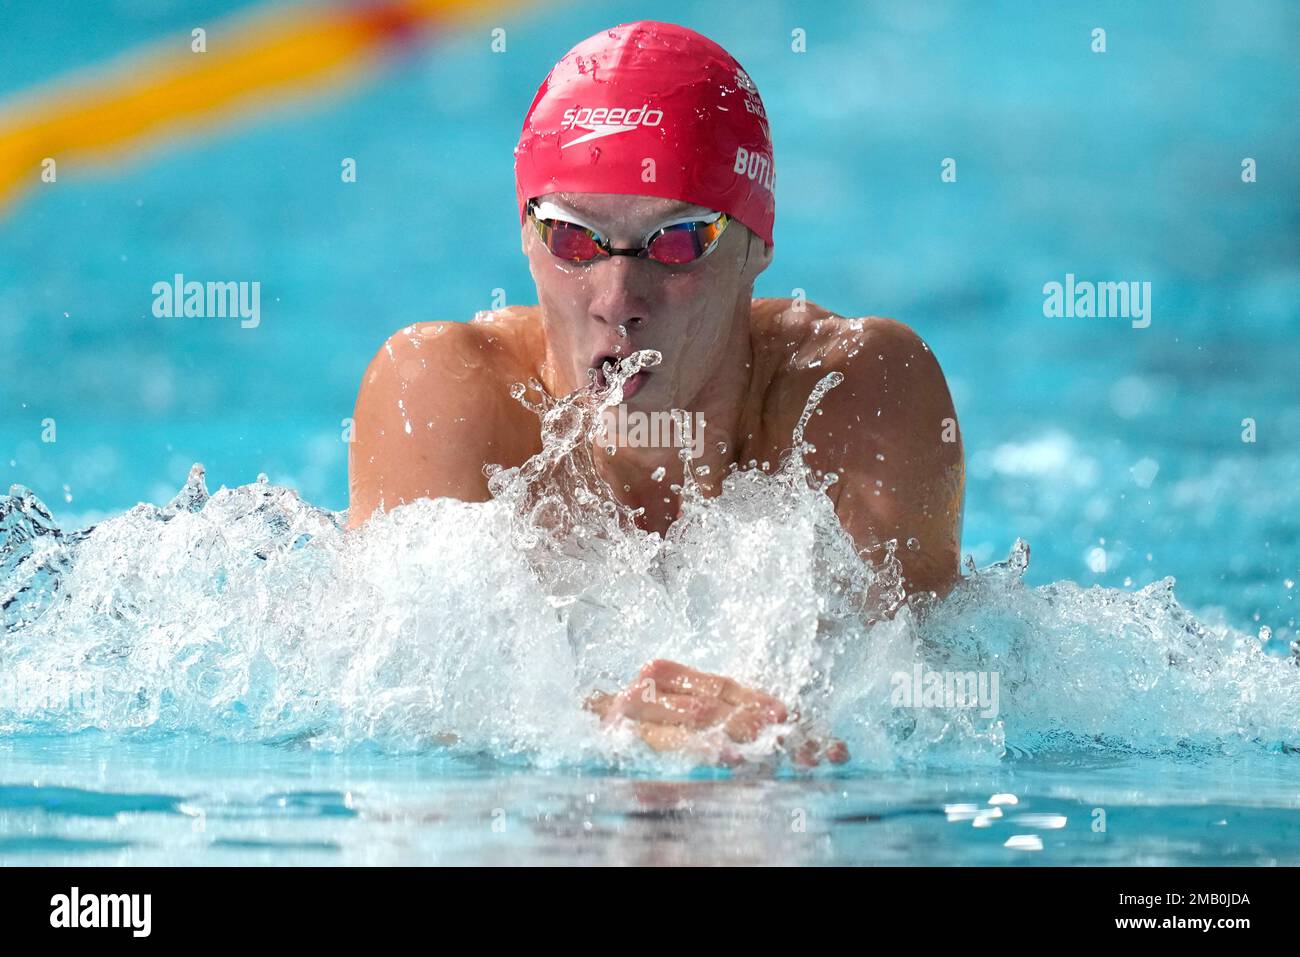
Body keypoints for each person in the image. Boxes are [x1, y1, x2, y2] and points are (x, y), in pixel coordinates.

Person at [348, 21, 964, 765]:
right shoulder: (444, 394)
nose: (618, 297)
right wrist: (620, 732)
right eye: (573, 239)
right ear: (525, 236)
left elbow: (925, 716)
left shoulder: (858, 393)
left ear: (759, 245)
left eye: (677, 242)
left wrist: (786, 737)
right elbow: (407, 724)